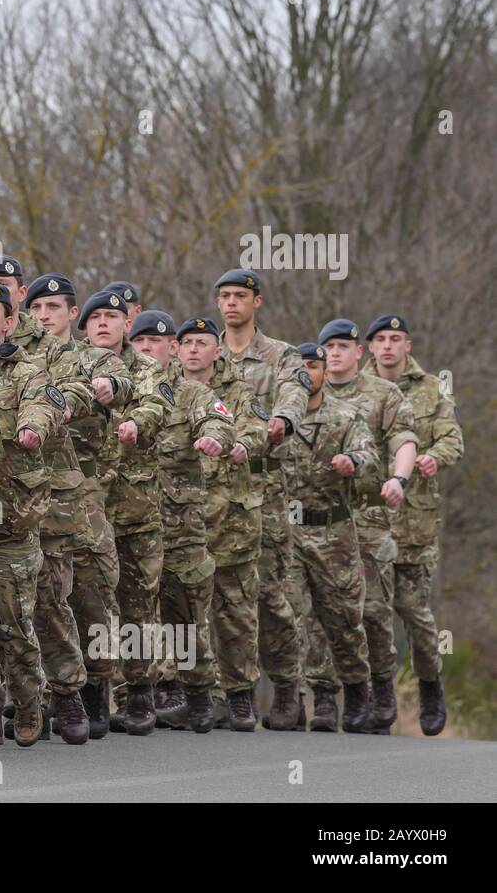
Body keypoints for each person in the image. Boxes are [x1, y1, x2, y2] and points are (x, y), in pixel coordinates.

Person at [0, 262, 94, 745]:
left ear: (11, 307)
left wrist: (43, 418)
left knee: (40, 602)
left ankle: (65, 693)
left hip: (37, 501)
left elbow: (60, 392)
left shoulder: (40, 351)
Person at [27, 275, 133, 738]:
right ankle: (53, 692)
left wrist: (109, 386)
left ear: (74, 314)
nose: (45, 315)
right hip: (27, 491)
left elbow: (120, 381)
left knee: (92, 594)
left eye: (54, 307)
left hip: (81, 494)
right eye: (37, 308)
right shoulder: (20, 356)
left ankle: (97, 687)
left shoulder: (95, 359)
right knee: (42, 593)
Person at [129, 312, 235, 732]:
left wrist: (215, 437)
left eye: (154, 343)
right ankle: (141, 694)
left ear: (171, 347)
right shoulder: (123, 391)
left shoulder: (190, 392)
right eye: (138, 343)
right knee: (135, 610)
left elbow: (219, 417)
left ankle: (198, 694)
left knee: (184, 610)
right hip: (132, 518)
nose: (146, 350)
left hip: (179, 523)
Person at [310, 318, 417, 732]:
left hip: (368, 518)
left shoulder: (383, 393)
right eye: (328, 347)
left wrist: (399, 478)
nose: (335, 354)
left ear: (359, 352)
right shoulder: (306, 393)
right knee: (322, 613)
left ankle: (381, 686)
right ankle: (324, 698)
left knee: (371, 610)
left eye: (342, 346)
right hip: (318, 521)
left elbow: (404, 438)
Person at [215, 268, 307, 730]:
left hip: (265, 489)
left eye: (240, 296)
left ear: (258, 302)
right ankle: (232, 691)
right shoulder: (205, 356)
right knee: (222, 593)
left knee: (269, 594)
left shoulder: (279, 355)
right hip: (215, 490)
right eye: (225, 296)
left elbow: (296, 391)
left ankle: (288, 688)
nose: (231, 303)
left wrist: (282, 420)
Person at [366, 314, 462, 735]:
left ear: (408, 344)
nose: (388, 346)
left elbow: (452, 439)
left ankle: (429, 684)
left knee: (413, 611)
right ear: (370, 346)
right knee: (370, 611)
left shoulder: (432, 389)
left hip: (415, 521)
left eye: (396, 339)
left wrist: (433, 457)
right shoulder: (356, 387)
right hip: (367, 519)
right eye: (381, 339)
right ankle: (380, 693)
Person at [176, 317, 270, 730]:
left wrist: (238, 444)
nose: (194, 349)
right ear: (177, 350)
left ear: (218, 350)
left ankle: (240, 694)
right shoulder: (165, 390)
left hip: (230, 518)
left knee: (235, 612)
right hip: (183, 519)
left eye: (202, 343)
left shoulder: (239, 392)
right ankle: (200, 692)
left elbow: (257, 430)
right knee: (188, 609)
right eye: (187, 343)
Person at [83, 289, 167, 736]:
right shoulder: (72, 363)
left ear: (126, 325)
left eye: (111, 317)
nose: (102, 324)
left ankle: (139, 691)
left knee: (138, 603)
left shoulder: (146, 368)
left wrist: (138, 421)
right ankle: (94, 690)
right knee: (91, 599)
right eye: (94, 317)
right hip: (83, 505)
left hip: (135, 507)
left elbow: (156, 402)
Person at [283, 343, 378, 733]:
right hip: (289, 530)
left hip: (333, 531)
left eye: (314, 366)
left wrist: (353, 462)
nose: (308, 373)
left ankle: (357, 689)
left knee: (341, 617)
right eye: (301, 367)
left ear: (325, 371)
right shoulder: (278, 418)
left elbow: (370, 455)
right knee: (293, 614)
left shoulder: (344, 415)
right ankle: (312, 698)